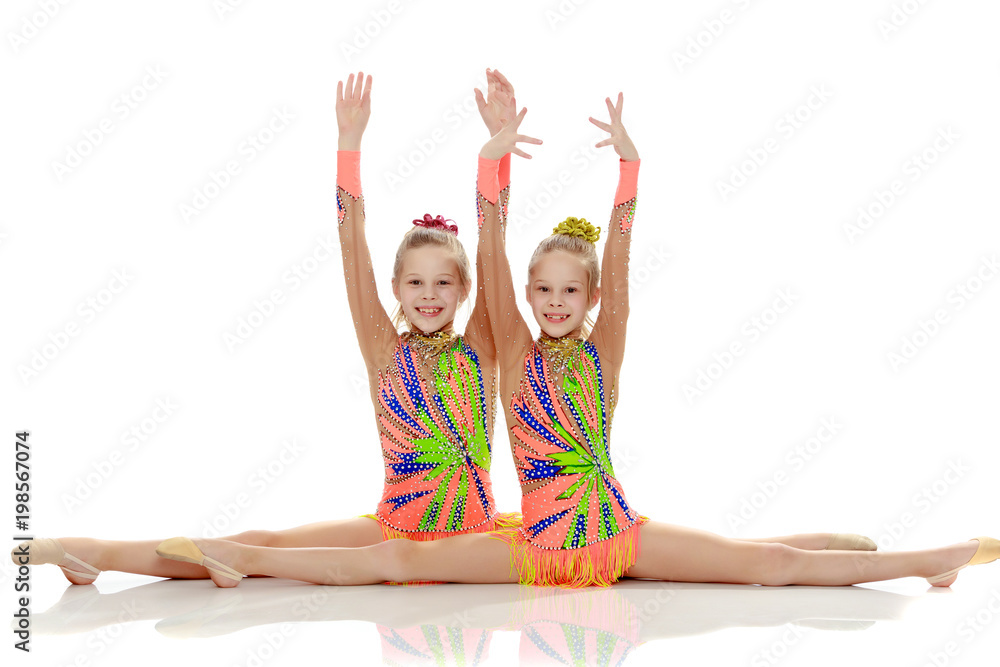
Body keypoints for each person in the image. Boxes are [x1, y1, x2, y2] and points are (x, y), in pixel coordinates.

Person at [143, 88, 996, 590]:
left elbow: (620, 257)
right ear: (521, 298)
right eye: (540, 291)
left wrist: (629, 170)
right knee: (397, 564)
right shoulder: (506, 353)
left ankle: (930, 558)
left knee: (765, 564)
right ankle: (227, 553)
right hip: (536, 546)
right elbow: (484, 249)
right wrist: (485, 166)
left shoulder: (603, 349)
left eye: (569, 292)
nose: (554, 303)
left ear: (590, 300)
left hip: (615, 533)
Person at [10, 70, 521, 585]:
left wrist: (495, 158)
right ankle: (91, 551)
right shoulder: (383, 347)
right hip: (393, 524)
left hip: (469, 534)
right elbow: (352, 244)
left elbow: (493, 249)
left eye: (442, 283)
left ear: (465, 288)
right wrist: (348, 144)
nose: (429, 294)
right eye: (415, 282)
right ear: (396, 287)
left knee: (314, 555)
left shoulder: (482, 345)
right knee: (258, 539)